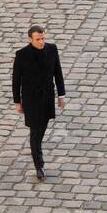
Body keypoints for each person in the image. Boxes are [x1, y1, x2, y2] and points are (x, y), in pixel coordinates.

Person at [11, 24, 67, 182]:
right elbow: (16, 81)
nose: (41, 42)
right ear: (30, 39)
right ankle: (39, 165)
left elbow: (58, 72)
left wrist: (61, 95)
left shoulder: (52, 49)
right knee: (35, 133)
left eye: (43, 38)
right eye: (38, 39)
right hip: (31, 100)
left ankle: (38, 154)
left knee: (41, 129)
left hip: (47, 97)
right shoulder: (22, 55)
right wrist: (17, 101)